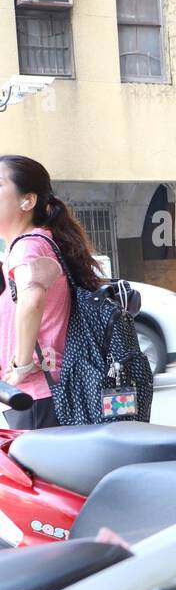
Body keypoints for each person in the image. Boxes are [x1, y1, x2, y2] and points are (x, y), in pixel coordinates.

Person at [0, 155, 104, 429]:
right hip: (47, 393)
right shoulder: (39, 242)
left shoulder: (27, 247)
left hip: (38, 395)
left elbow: (31, 300)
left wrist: (21, 366)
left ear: (27, 201)